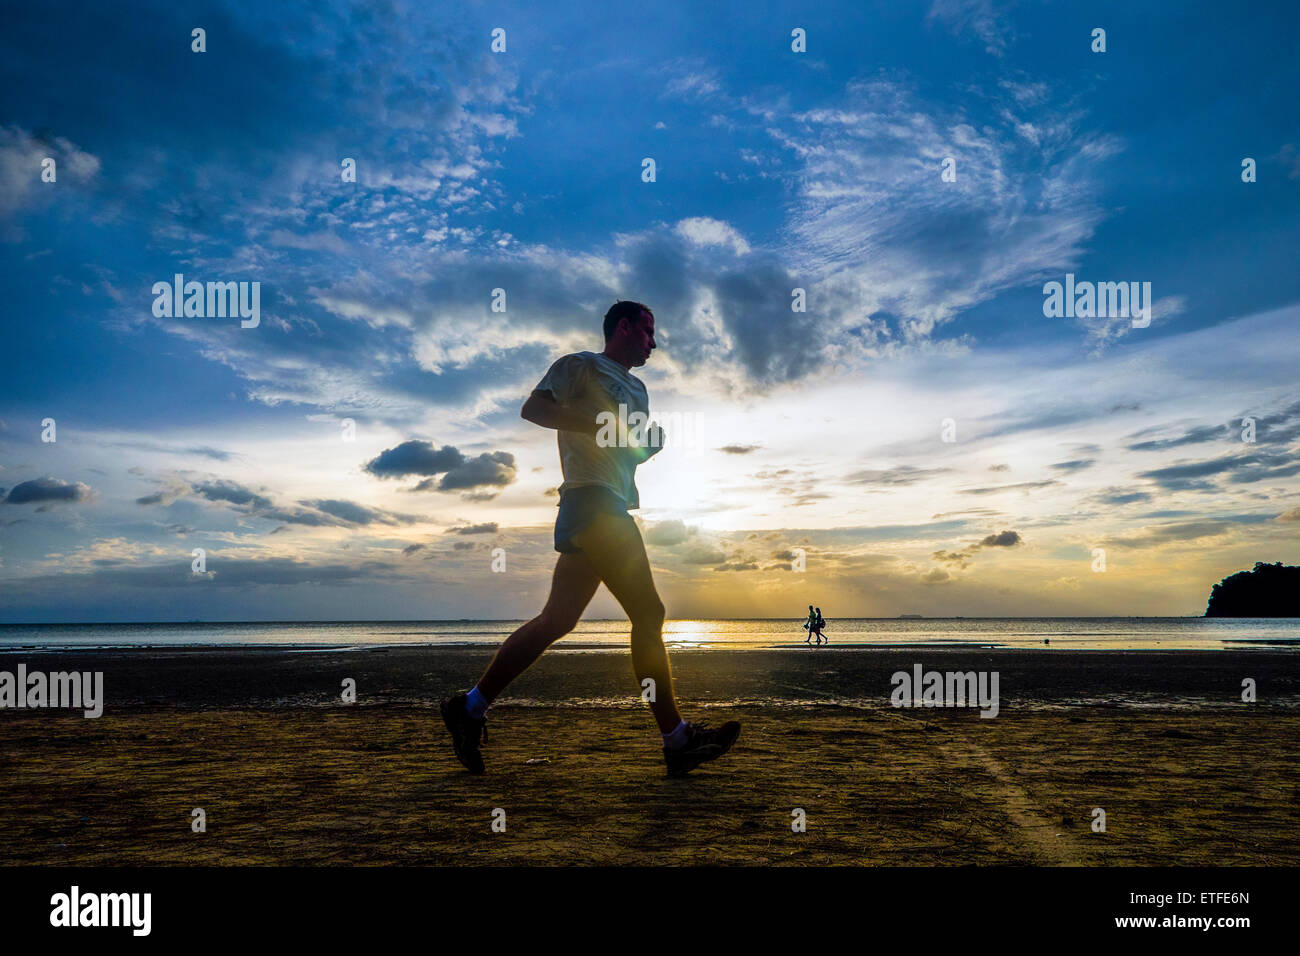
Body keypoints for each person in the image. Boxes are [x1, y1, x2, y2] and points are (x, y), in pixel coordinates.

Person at [440, 301, 741, 777]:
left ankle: (470, 707)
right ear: (623, 326)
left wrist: (648, 446)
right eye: (647, 331)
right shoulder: (580, 365)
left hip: (612, 501)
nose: (654, 342)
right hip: (590, 501)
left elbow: (628, 451)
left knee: (557, 619)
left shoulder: (639, 388)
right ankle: (677, 739)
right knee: (649, 613)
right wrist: (600, 425)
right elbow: (534, 408)